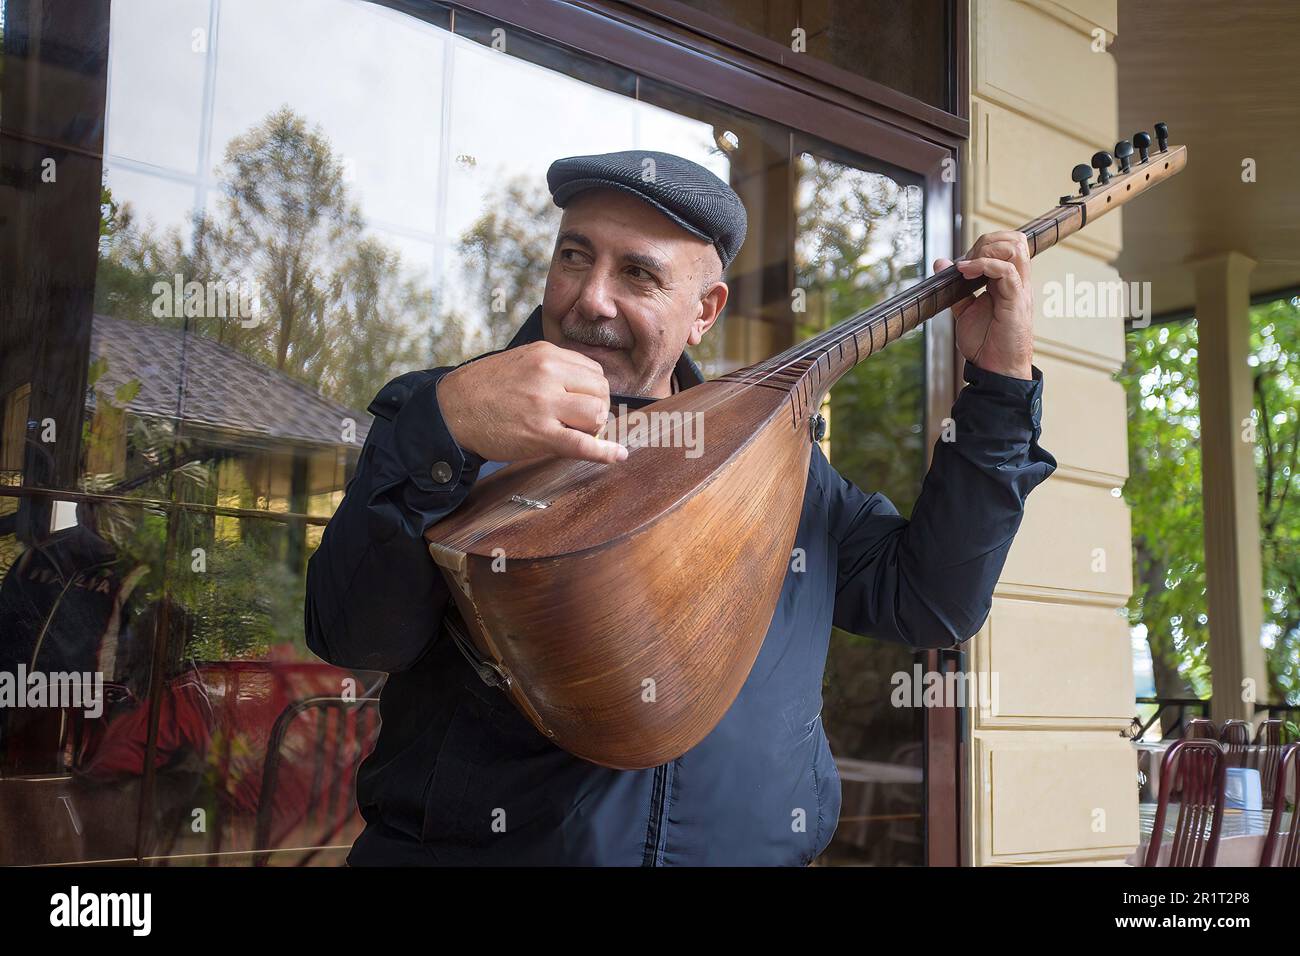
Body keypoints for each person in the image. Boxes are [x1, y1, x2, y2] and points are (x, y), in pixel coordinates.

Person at [304, 150, 1056, 865]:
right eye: (574, 255)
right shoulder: (450, 419)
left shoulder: (773, 458)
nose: (591, 296)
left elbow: (932, 602)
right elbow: (355, 634)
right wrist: (439, 429)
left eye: (637, 273)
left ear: (704, 310)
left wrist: (1000, 387)